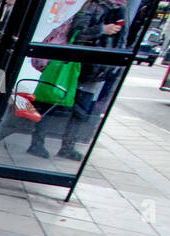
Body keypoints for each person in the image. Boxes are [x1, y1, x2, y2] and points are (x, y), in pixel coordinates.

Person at [27, 0, 127, 161]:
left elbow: (122, 41)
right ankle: (37, 143)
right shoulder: (93, 5)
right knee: (52, 104)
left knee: (81, 112)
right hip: (75, 66)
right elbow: (76, 33)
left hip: (98, 71)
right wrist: (102, 29)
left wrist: (114, 67)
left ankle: (68, 147)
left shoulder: (121, 9)